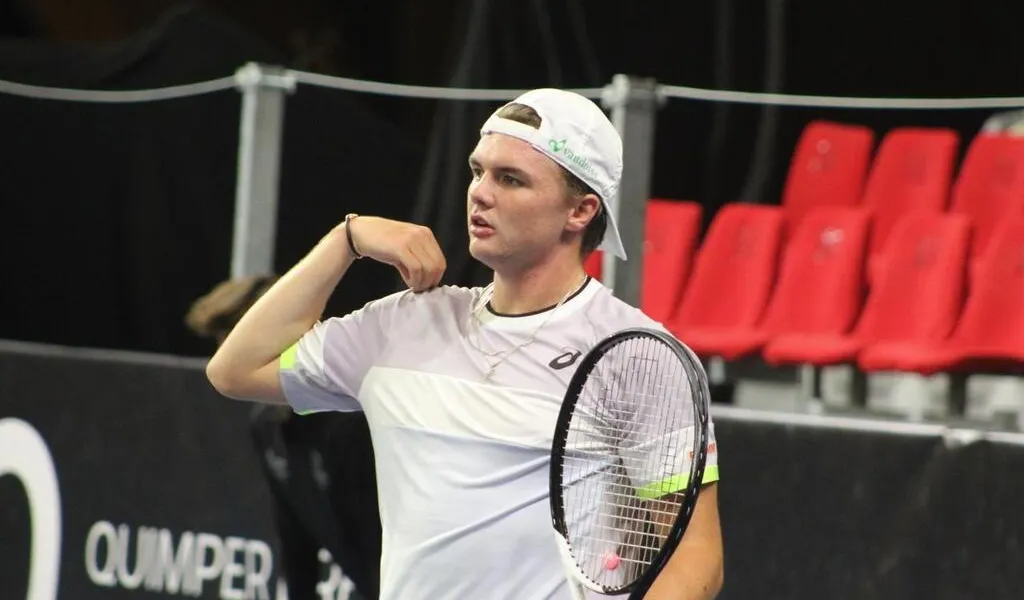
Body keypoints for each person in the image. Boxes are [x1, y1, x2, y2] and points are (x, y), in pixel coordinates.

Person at [206, 88, 724, 600]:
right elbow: (234, 371)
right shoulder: (402, 322)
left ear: (581, 211)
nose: (480, 191)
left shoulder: (637, 355)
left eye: (511, 179)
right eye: (478, 171)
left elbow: (696, 562)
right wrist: (348, 241)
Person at [186, 275, 381, 600]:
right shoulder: (266, 427)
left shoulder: (352, 420)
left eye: (237, 351)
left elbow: (383, 538)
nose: (231, 371)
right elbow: (296, 541)